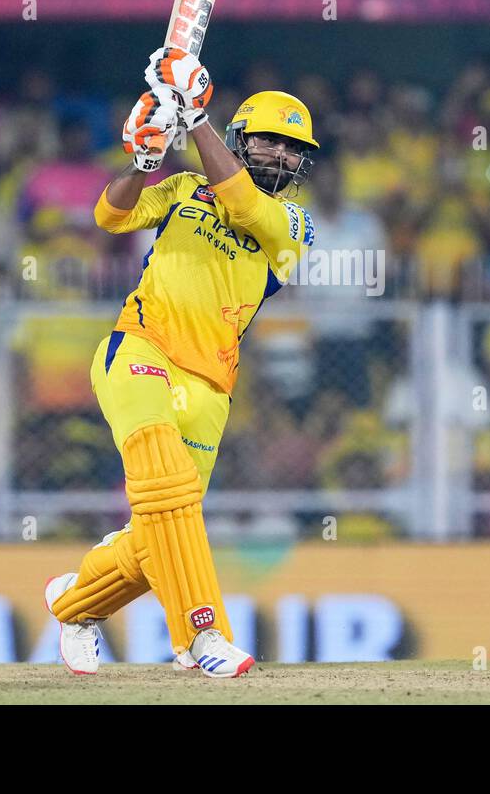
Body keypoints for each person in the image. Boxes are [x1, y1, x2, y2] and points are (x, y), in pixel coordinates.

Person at [43, 47, 317, 678]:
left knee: (157, 534)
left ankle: (75, 602)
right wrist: (141, 162)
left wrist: (195, 120)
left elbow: (246, 208)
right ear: (245, 142)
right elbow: (110, 215)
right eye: (270, 143)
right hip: (140, 349)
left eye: (292, 148)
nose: (283, 155)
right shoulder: (184, 188)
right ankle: (203, 638)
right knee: (168, 493)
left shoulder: (295, 224)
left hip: (211, 384)